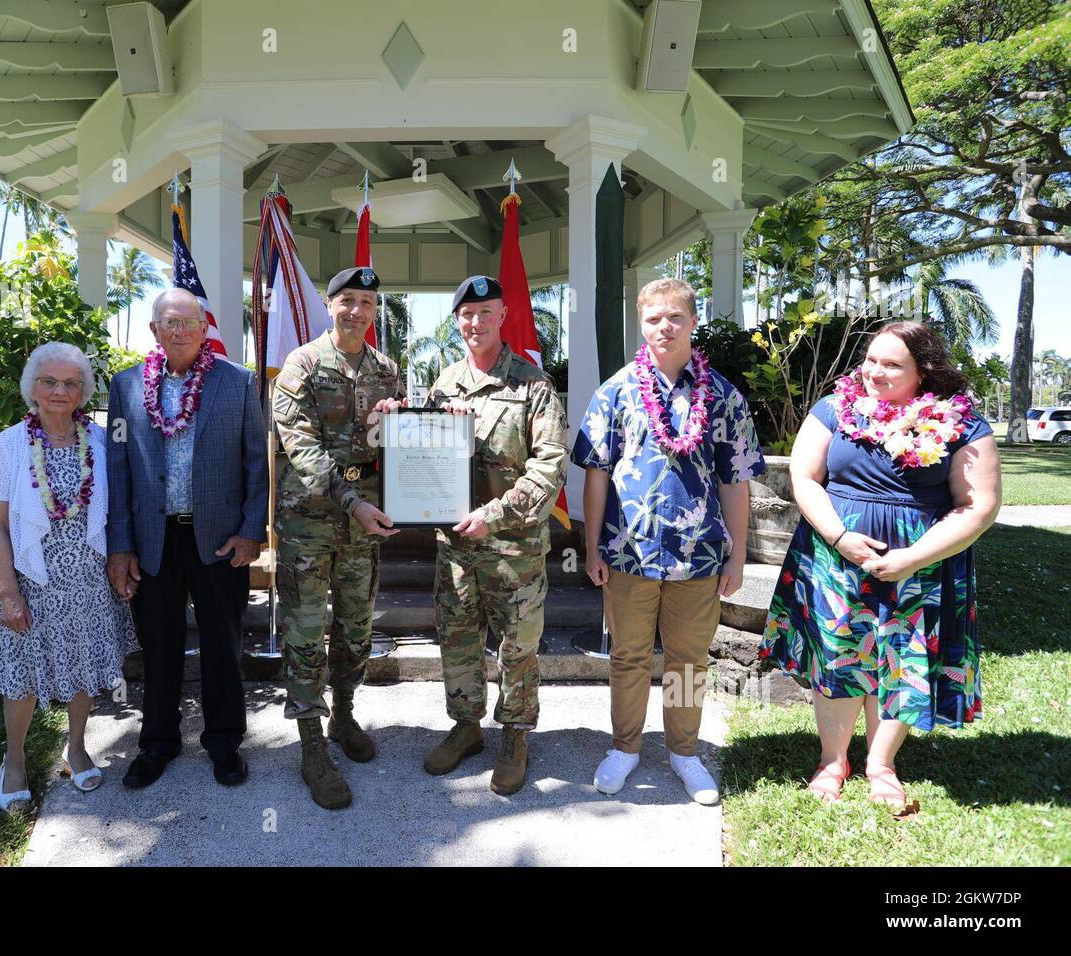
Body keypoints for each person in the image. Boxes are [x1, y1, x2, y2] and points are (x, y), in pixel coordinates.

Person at [758, 321, 1000, 809]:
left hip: (921, 560)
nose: (875, 372)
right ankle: (832, 760)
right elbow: (805, 478)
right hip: (834, 551)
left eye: (892, 364)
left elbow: (979, 505)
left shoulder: (963, 421)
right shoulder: (834, 408)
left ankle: (881, 765)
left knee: (902, 658)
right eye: (871, 359)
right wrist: (840, 536)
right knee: (839, 651)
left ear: (923, 372)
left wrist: (913, 557)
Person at [572, 278, 765, 806]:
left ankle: (684, 752)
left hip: (700, 556)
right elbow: (595, 474)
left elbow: (735, 481)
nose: (665, 326)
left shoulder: (723, 397)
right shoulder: (614, 391)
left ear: (692, 322)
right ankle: (625, 747)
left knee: (687, 659)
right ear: (642, 323)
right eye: (654, 317)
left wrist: (737, 553)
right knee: (629, 656)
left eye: (675, 316)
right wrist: (592, 548)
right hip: (628, 553)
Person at [106, 288, 268, 791]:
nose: (178, 331)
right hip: (153, 540)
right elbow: (116, 467)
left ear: (204, 329)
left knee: (222, 643)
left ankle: (223, 745)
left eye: (188, 323)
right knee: (160, 647)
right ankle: (157, 744)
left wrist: (250, 531)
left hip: (219, 540)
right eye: (168, 323)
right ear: (153, 330)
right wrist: (120, 545)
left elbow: (256, 461)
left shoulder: (237, 383)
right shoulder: (125, 386)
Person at [421, 275, 568, 797]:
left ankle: (514, 735)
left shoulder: (533, 385)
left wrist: (496, 512)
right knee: (458, 642)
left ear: (503, 315)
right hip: (458, 548)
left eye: (486, 312)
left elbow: (550, 466)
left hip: (514, 550)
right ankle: (465, 727)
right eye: (467, 314)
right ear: (457, 320)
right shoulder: (443, 384)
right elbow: (423, 456)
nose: (475, 322)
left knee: (517, 648)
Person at [0, 341, 137, 812]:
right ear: (33, 386)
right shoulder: (9, 444)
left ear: (83, 391)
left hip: (89, 578)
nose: (59, 391)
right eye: (49, 381)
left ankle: (76, 746)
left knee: (83, 668)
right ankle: (15, 759)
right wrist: (8, 594)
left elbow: (119, 509)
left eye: (70, 383)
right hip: (33, 578)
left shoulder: (101, 441)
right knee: (23, 676)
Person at [272, 266, 405, 810]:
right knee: (304, 635)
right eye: (346, 300)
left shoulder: (387, 370)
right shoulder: (300, 366)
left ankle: (344, 715)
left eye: (367, 303)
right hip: (309, 526)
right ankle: (310, 745)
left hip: (362, 532)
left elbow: (386, 450)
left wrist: (403, 437)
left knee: (355, 627)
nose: (356, 311)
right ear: (330, 306)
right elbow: (301, 452)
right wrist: (353, 502)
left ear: (376, 312)